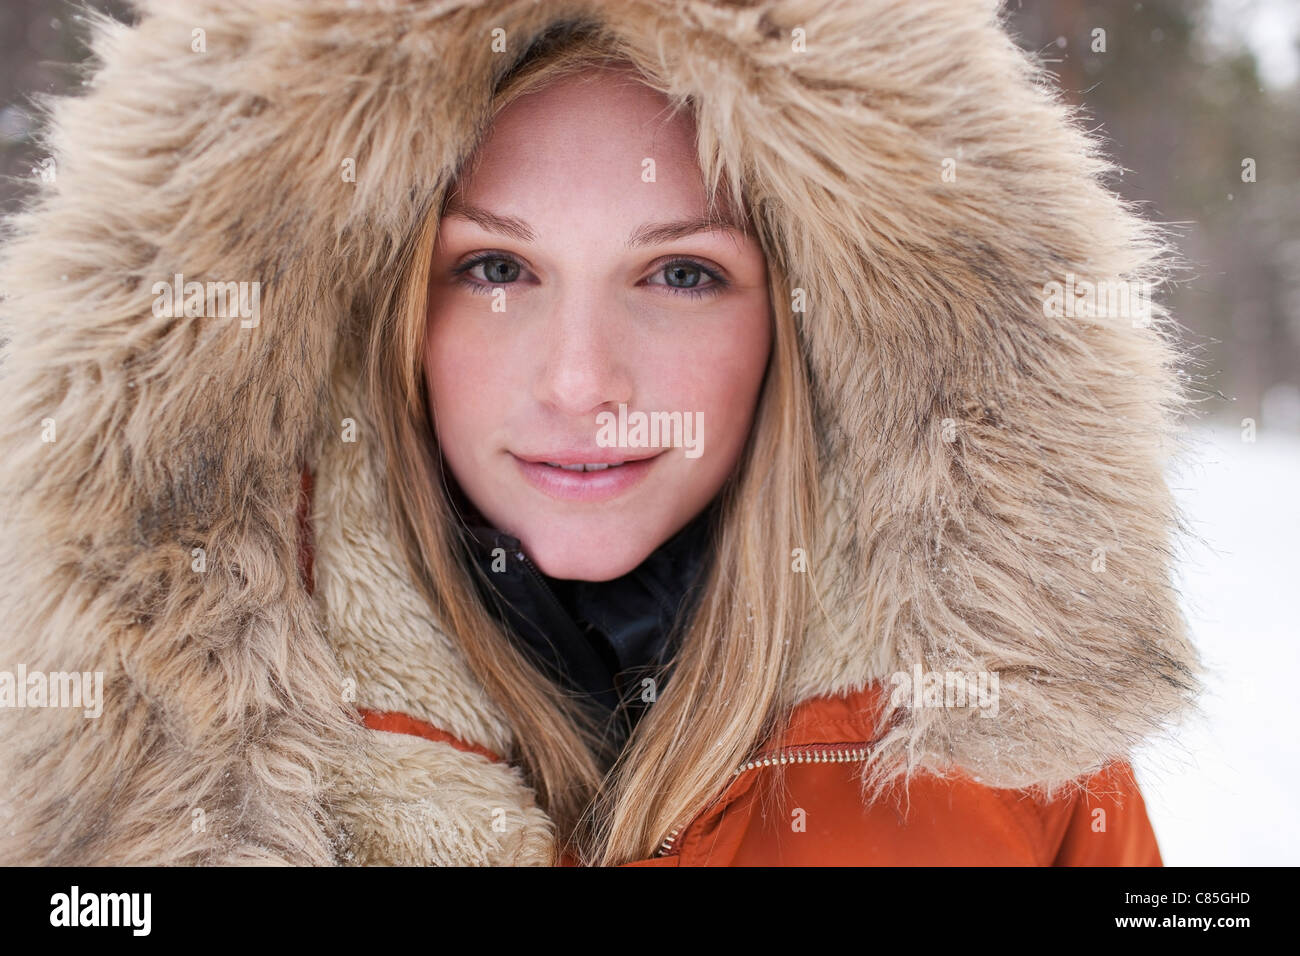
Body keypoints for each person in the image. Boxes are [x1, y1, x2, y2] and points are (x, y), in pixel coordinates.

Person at [0, 1, 1201, 866]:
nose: (581, 381)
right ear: (379, 312)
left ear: (807, 323)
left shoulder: (1009, 768)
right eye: (495, 266)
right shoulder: (129, 775)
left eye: (680, 271)